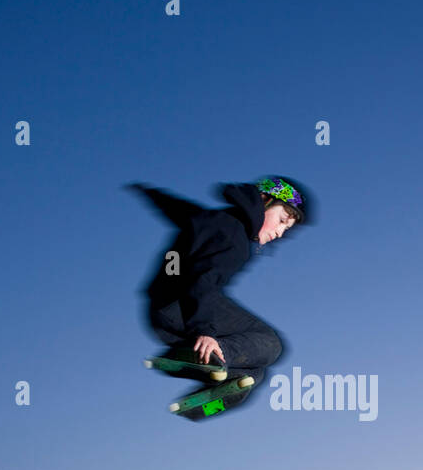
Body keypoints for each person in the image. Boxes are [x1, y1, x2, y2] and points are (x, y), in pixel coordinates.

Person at [128, 175, 314, 418]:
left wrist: (148, 191)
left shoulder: (213, 220)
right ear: (263, 201)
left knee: (251, 376)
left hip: (161, 314)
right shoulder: (234, 237)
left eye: (285, 229)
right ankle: (206, 354)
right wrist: (205, 331)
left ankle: (197, 404)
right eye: (281, 221)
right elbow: (203, 281)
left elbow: (180, 210)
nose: (280, 233)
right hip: (185, 308)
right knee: (270, 344)